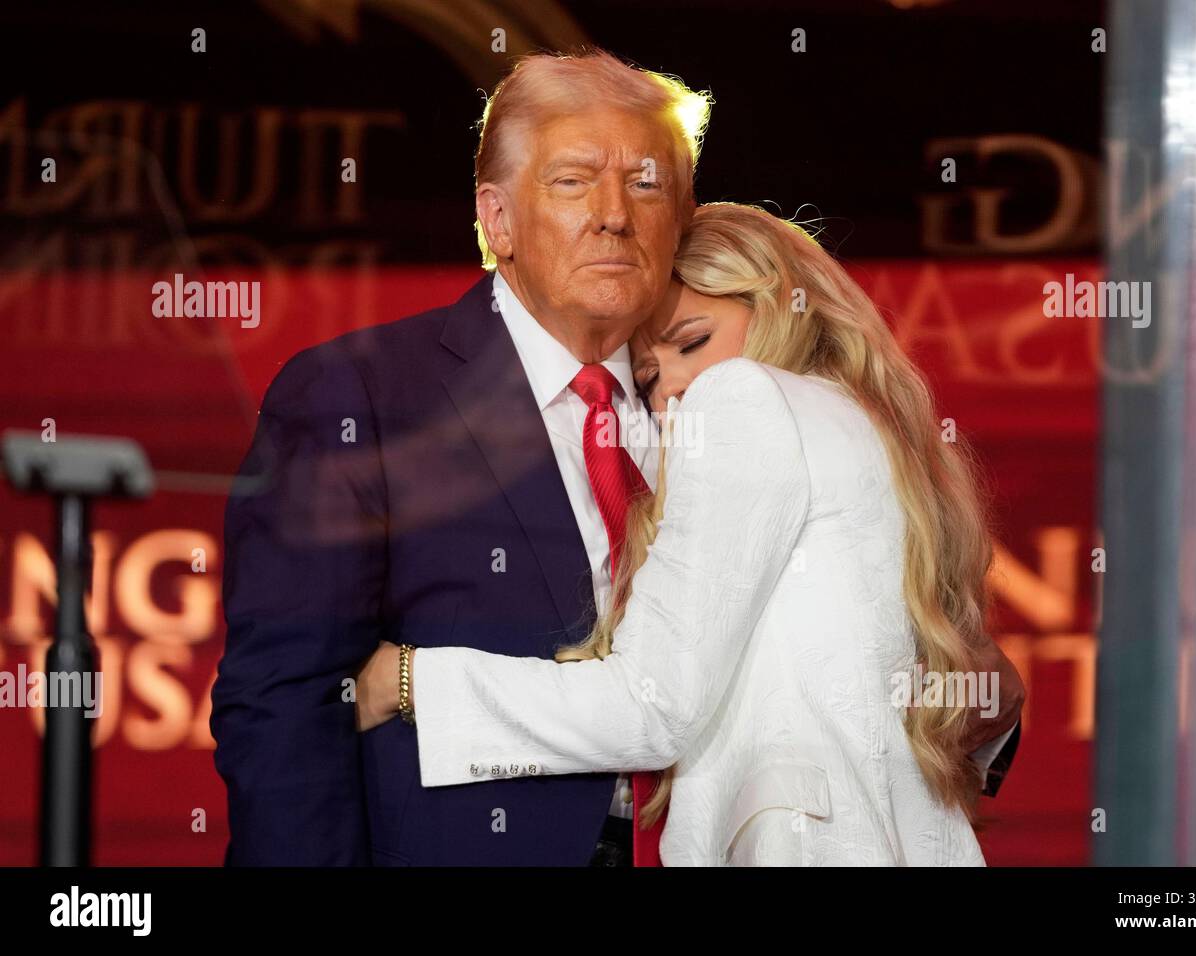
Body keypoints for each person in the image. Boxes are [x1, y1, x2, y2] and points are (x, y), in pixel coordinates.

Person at [355, 202, 1024, 865]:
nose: (671, 387)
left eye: (693, 340)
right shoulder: (866, 426)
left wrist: (410, 680)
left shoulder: (742, 396)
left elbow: (654, 704)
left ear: (779, 304)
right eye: (644, 377)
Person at [210, 49, 713, 865]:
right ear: (498, 219)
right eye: (574, 180)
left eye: (647, 183)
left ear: (684, 216)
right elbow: (287, 705)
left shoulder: (729, 401)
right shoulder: (356, 396)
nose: (615, 214)